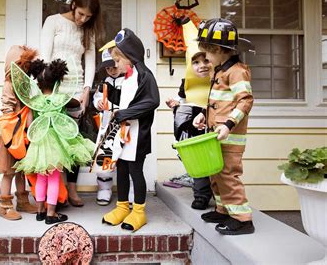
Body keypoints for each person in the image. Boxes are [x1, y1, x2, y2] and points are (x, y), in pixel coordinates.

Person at [12, 59, 95, 224]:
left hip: (39, 145)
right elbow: (76, 103)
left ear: (38, 83)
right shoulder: (61, 99)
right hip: (56, 145)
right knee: (54, 178)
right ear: (57, 81)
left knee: (42, 177)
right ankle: (51, 214)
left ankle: (40, 211)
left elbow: (29, 125)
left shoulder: (34, 102)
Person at [40, 0, 102, 207]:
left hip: (77, 89)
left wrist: (87, 89)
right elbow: (44, 57)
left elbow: (91, 60)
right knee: (55, 140)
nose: (82, 19)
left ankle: (72, 188)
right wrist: (47, 91)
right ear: (73, 5)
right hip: (56, 89)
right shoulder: (53, 22)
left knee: (74, 139)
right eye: (80, 14)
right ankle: (55, 191)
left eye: (88, 17)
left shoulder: (88, 30)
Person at [193, 18, 255, 235]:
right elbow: (219, 102)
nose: (205, 58)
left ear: (218, 49)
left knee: (228, 175)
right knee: (215, 174)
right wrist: (203, 114)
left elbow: (245, 101)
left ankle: (242, 218)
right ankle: (223, 209)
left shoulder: (237, 71)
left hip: (230, 136)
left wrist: (229, 124)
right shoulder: (219, 71)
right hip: (216, 135)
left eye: (206, 53)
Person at [100, 29, 160, 232]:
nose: (116, 65)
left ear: (130, 57)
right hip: (124, 134)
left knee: (135, 171)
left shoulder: (144, 75)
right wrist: (106, 97)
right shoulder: (128, 77)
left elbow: (152, 101)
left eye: (118, 60)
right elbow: (124, 99)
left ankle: (139, 211)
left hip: (138, 135)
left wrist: (125, 113)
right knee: (122, 170)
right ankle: (122, 206)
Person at [0, 46, 38, 220]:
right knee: (9, 171)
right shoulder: (9, 84)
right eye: (23, 66)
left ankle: (22, 201)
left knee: (22, 170)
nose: (26, 70)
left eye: (27, 67)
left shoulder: (23, 84)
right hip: (12, 135)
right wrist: (13, 125)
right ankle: (5, 206)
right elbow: (7, 107)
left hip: (23, 133)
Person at [166, 50, 213, 210]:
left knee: (215, 160)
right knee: (196, 159)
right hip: (191, 125)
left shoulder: (218, 81)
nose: (202, 66)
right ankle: (201, 195)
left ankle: (218, 194)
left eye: (206, 61)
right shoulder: (187, 82)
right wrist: (175, 104)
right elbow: (182, 99)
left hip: (213, 123)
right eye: (196, 62)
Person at [92, 49, 134, 206]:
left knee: (128, 158)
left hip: (126, 124)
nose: (111, 70)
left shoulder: (129, 80)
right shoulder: (104, 83)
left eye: (113, 67)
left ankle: (130, 192)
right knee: (105, 158)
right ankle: (104, 189)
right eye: (107, 68)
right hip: (108, 125)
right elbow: (96, 99)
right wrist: (98, 103)